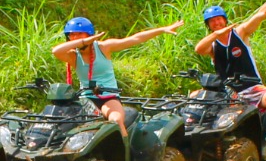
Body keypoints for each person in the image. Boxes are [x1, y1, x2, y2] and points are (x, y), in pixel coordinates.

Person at [194, 0, 266, 142]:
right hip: (227, 92)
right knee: (193, 97)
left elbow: (261, 14)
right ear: (208, 25)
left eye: (219, 19)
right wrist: (217, 35)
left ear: (225, 19)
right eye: (212, 21)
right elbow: (198, 49)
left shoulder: (240, 33)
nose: (217, 23)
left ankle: (265, 142)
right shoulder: (213, 45)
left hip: (251, 87)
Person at [51, 15, 184, 134]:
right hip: (85, 100)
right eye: (72, 35)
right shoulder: (72, 55)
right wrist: (83, 42)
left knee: (116, 121)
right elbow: (56, 51)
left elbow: (135, 39)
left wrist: (161, 30)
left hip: (108, 98)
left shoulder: (104, 47)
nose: (75, 37)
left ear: (89, 34)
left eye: (80, 34)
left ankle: (124, 156)